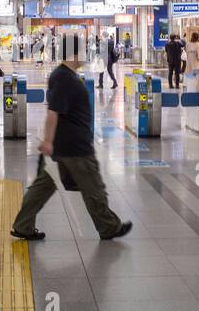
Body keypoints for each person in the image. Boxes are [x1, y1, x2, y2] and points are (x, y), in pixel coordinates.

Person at [11, 44, 131, 242]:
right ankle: (109, 227)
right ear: (74, 53)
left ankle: (23, 226)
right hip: (73, 147)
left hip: (64, 144)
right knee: (93, 187)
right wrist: (48, 141)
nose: (86, 54)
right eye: (83, 51)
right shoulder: (64, 78)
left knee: (42, 188)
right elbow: (53, 112)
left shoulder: (65, 75)